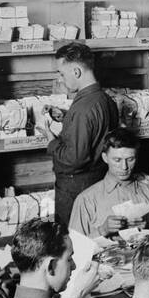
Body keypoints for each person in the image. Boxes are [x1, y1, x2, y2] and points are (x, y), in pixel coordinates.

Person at [44, 41, 120, 230]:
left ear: (76, 72)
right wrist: (66, 117)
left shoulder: (83, 108)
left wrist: (50, 139)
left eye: (61, 73)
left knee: (72, 242)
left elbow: (74, 159)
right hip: (97, 180)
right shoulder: (105, 100)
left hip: (75, 188)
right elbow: (94, 130)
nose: (60, 79)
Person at [69, 128, 149, 240]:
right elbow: (74, 247)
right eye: (117, 160)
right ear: (105, 158)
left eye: (130, 159)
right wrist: (102, 230)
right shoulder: (86, 199)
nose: (124, 167)